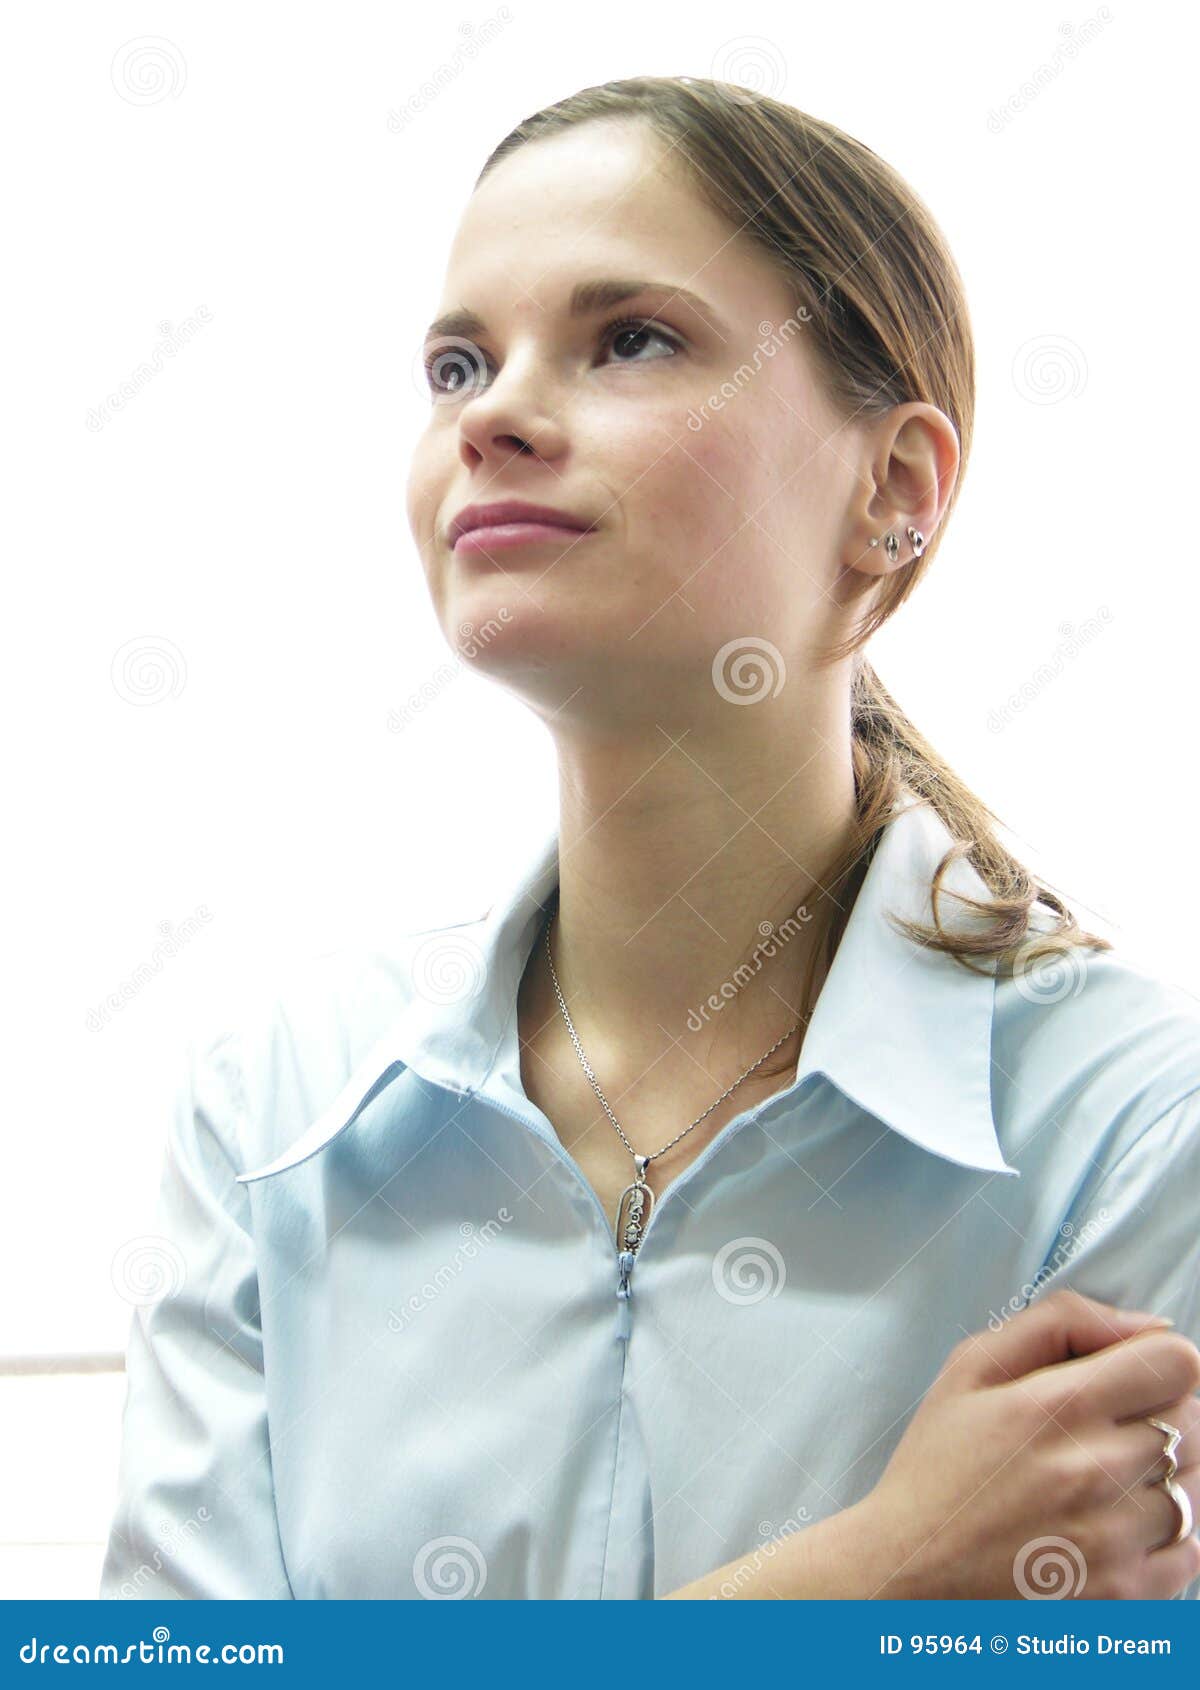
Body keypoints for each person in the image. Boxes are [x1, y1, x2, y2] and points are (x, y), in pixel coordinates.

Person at [99, 75, 1200, 1601]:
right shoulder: (276, 1114)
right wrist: (879, 1569)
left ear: (892, 486)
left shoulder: (1132, 1127)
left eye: (630, 338)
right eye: (457, 361)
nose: (490, 412)